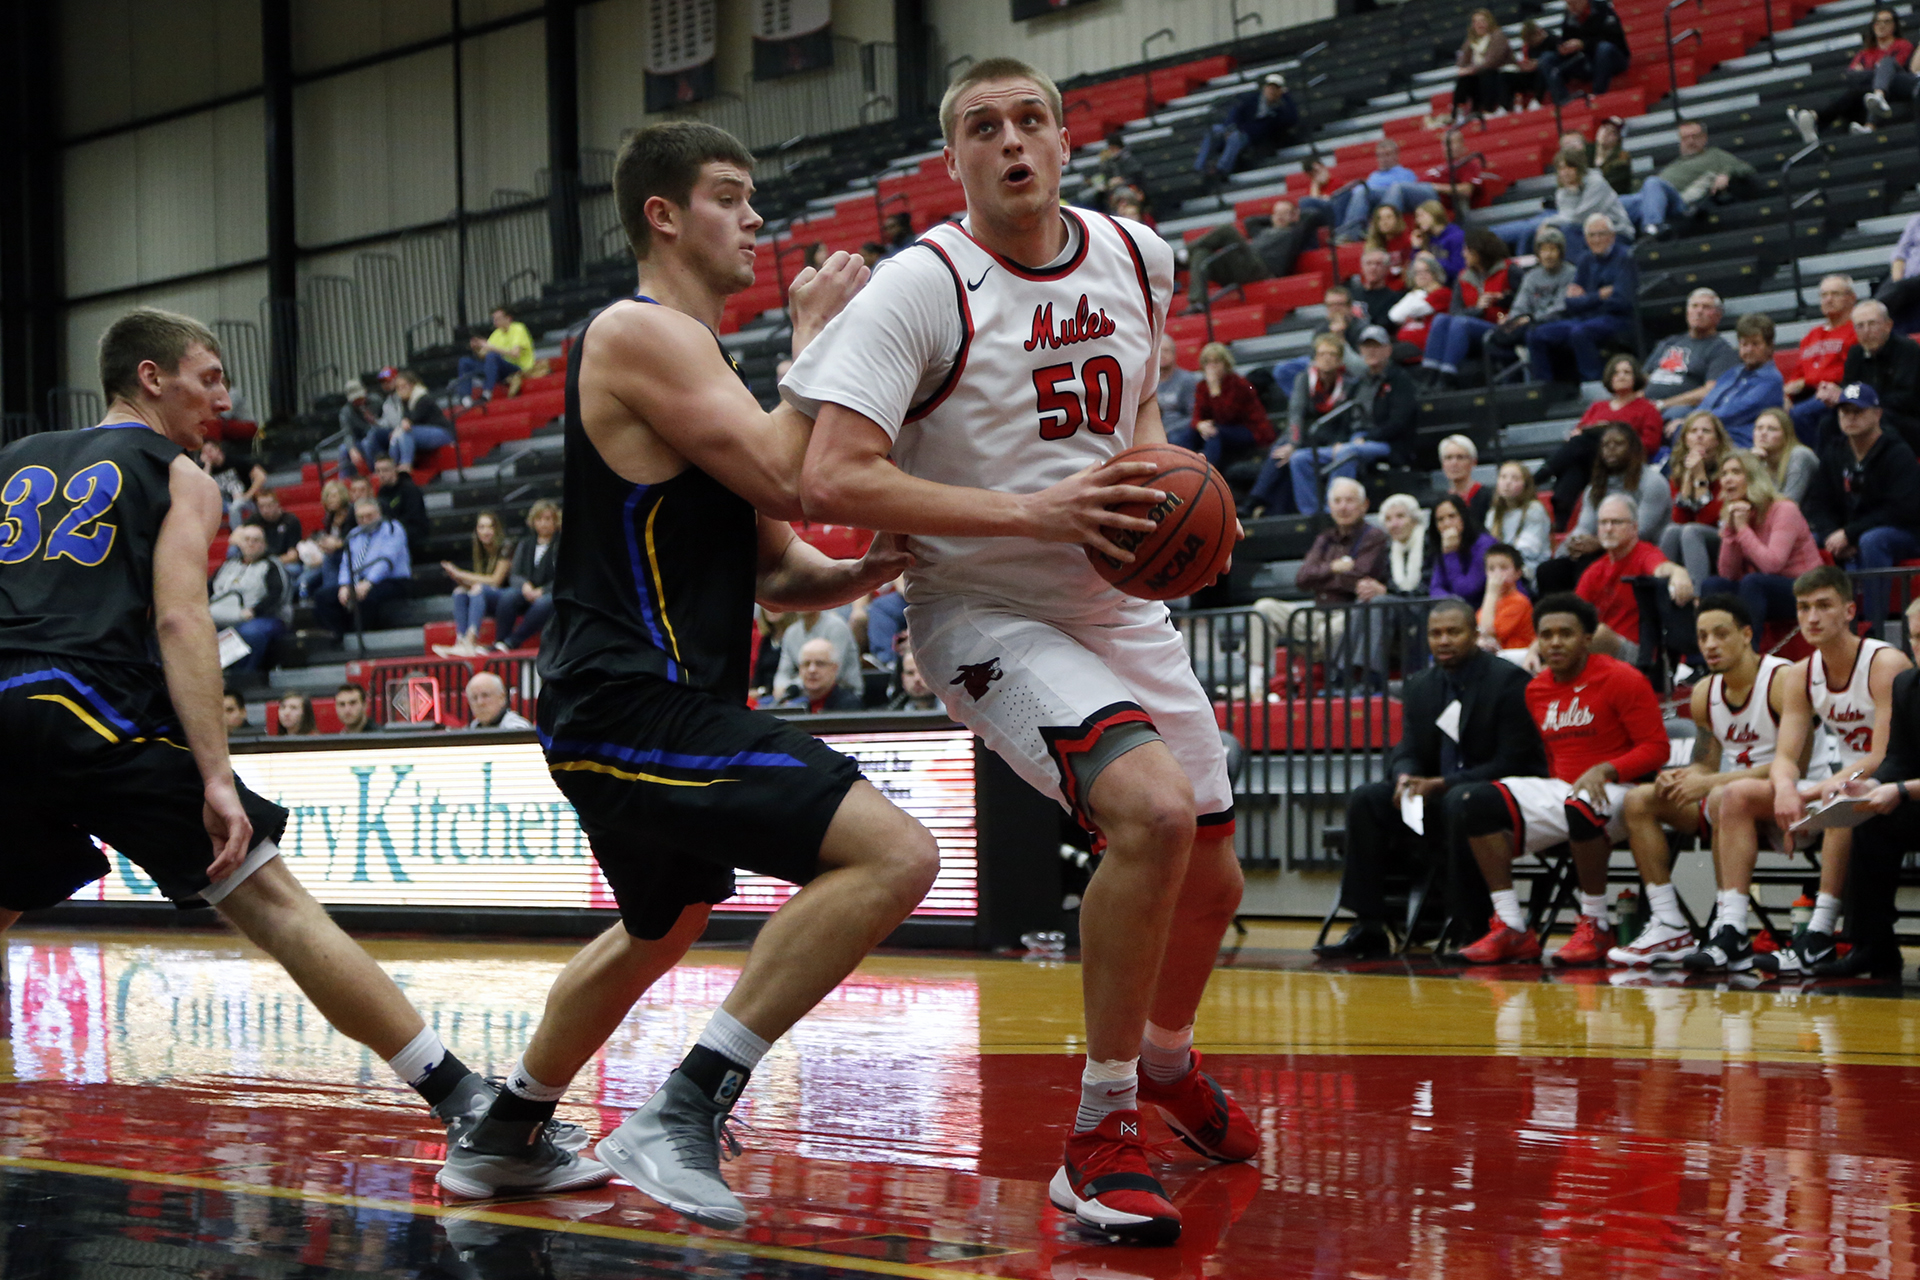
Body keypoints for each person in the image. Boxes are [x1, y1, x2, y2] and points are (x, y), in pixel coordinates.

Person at [788, 59, 1257, 1245]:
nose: (1011, 142)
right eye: (982, 128)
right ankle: (1098, 1134)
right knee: (1146, 811)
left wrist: (1168, 498)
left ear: (1063, 140)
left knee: (1214, 875)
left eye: (1030, 120)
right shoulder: (922, 286)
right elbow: (831, 476)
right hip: (981, 604)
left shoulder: (1137, 254)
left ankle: (1164, 1061)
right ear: (952, 162)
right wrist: (1038, 512)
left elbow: (1136, 414)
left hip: (1110, 597)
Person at [438, 120, 938, 1214]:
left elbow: (782, 571)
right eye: (729, 194)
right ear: (662, 215)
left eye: (754, 195)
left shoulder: (712, 374)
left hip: (640, 704)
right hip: (627, 697)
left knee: (660, 927)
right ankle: (685, 1106)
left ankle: (503, 1132)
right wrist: (818, 343)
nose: (756, 216)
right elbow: (789, 470)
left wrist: (874, 568)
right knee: (895, 854)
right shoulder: (637, 332)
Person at [0, 308, 523, 1160]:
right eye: (209, 377)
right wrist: (216, 772)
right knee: (275, 903)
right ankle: (467, 1106)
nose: (224, 398)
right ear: (151, 377)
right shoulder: (179, 473)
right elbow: (180, 620)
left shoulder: (10, 462)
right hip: (87, 701)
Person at [1696, 566, 1911, 976]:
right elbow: (1785, 756)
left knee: (1841, 794)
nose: (1812, 617)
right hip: (1840, 780)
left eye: (1823, 606)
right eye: (1803, 608)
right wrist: (1784, 789)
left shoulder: (1885, 662)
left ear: (1849, 611)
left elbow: (1884, 754)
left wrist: (1810, 793)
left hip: (1885, 779)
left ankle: (1820, 934)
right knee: (1735, 794)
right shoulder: (1800, 673)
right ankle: (1732, 928)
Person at [1318, 599, 1547, 959]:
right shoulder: (1420, 685)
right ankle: (1369, 925)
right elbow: (1407, 747)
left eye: (1453, 632)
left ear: (1474, 634)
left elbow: (1513, 760)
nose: (1444, 640)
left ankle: (1470, 924)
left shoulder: (1508, 681)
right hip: (1435, 797)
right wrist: (1405, 776)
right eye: (1435, 633)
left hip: (1494, 799)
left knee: (1461, 801)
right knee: (1368, 799)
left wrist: (1443, 784)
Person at [1453, 592, 1668, 964]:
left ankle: (1595, 924)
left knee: (1579, 804)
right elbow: (1553, 757)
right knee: (1477, 802)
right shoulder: (1536, 689)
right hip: (1565, 790)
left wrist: (1607, 768)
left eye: (1565, 634)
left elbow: (1656, 748)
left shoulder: (1622, 678)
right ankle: (1511, 925)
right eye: (1546, 634)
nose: (1555, 642)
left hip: (1623, 790)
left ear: (1587, 638)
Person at [1607, 595, 1796, 965]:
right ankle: (1668, 924)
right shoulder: (1703, 693)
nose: (1710, 644)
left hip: (1792, 796)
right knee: (1640, 800)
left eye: (1721, 634)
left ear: (1746, 635)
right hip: (1731, 795)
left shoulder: (1782, 679)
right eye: (1703, 636)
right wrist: (1679, 777)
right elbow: (1705, 764)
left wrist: (1710, 783)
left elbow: (1791, 766)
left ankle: (1730, 927)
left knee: (1726, 795)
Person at [1824, 594, 1920, 979]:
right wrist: (1872, 785)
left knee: (1889, 803)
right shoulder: (1907, 685)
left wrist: (1900, 790)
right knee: (1868, 819)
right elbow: (1897, 756)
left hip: (1914, 793)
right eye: (1915, 638)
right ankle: (1873, 945)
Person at [1251, 477, 1392, 683]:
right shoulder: (1325, 538)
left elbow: (1358, 579)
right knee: (1264, 608)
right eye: (1337, 501)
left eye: (1350, 501)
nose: (1343, 507)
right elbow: (1302, 578)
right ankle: (1255, 680)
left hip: (1351, 612)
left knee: (1332, 630)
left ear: (1365, 505)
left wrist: (1321, 575)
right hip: (1317, 615)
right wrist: (1334, 567)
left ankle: (1338, 681)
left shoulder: (1374, 537)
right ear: (1329, 506)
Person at [1803, 382, 1920, 622]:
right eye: (1844, 412)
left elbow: (1902, 509)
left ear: (1877, 414)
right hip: (1852, 532)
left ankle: (1873, 625)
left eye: (1858, 411)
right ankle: (1819, 618)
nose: (1850, 418)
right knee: (1805, 538)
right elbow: (1817, 503)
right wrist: (1831, 534)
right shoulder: (1835, 453)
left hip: (1905, 533)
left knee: (1873, 540)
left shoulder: (1897, 452)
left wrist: (1850, 533)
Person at [1538, 354, 1664, 533]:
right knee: (1575, 465)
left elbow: (1650, 444)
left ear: (1636, 376)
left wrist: (1616, 437)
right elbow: (1578, 433)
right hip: (1591, 462)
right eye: (1616, 373)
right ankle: (1561, 522)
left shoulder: (1647, 408)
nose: (1620, 376)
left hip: (1623, 462)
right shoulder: (1598, 406)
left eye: (1626, 372)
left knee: (1588, 441)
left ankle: (1542, 474)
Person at [1698, 450, 1822, 631]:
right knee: (1713, 584)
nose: (1727, 479)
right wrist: (1731, 531)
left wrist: (1742, 530)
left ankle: (1749, 654)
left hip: (1804, 588)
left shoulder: (1784, 509)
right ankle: (1709, 651)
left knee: (1753, 582)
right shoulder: (1736, 513)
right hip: (1761, 589)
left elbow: (1772, 565)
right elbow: (1728, 574)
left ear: (1753, 478)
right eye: (1724, 474)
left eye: (1736, 472)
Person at [1574, 493, 1693, 665]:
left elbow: (1661, 568)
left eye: (1616, 522)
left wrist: (1678, 572)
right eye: (1603, 523)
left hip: (1641, 654)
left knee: (1596, 634)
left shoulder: (1645, 554)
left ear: (1634, 527)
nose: (1608, 529)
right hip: (1603, 652)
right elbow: (1573, 614)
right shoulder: (1594, 570)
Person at [1525, 214, 1636, 386]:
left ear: (1612, 236)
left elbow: (1620, 301)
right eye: (1592, 235)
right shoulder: (1585, 259)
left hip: (1616, 319)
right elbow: (1570, 303)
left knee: (1580, 332)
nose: (1596, 239)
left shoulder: (1625, 258)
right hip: (1585, 318)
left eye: (1601, 234)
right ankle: (1545, 389)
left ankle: (1594, 386)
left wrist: (1586, 298)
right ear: (1585, 239)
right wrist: (1599, 295)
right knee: (1536, 334)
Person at [1255, 334, 1347, 518]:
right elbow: (1295, 413)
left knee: (1289, 450)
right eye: (1322, 354)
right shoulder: (1304, 379)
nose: (1326, 358)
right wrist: (1294, 444)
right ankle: (1260, 501)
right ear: (1314, 358)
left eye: (1332, 354)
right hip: (1305, 432)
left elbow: (1346, 419)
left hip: (1331, 434)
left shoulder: (1347, 383)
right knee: (1282, 449)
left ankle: (1257, 500)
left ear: (1339, 359)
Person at [1790, 9, 1911, 141]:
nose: (1881, 25)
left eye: (1886, 21)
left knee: (1867, 84)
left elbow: (1891, 70)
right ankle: (1813, 119)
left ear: (1894, 25)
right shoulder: (1865, 53)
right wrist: (1869, 72)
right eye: (1877, 22)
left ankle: (1816, 119)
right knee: (1853, 92)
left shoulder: (1902, 45)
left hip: (1893, 87)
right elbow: (1851, 75)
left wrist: (1864, 72)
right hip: (1865, 92)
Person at [1628, 120, 1755, 240]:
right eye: (1685, 138)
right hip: (1648, 200)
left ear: (1704, 138)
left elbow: (1747, 168)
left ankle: (1653, 226)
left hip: (1677, 203)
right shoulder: (1675, 163)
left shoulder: (1715, 155)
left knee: (1653, 182)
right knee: (1614, 203)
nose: (1690, 141)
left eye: (1695, 136)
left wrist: (1725, 174)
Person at [1185, 198, 1319, 306]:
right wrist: (1275, 218)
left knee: (1227, 230)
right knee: (1201, 253)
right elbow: (1251, 221)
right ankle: (1197, 302)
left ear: (1295, 215)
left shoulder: (1295, 232)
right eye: (1276, 213)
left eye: (1285, 213)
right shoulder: (1260, 231)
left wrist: (1289, 218)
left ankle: (1183, 255)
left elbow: (1314, 215)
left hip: (1263, 270)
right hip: (1242, 267)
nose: (1279, 216)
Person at [1422, 229, 1513, 386]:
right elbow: (1455, 312)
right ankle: (1430, 375)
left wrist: (1502, 299)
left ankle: (1447, 377)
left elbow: (1521, 300)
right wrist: (1478, 309)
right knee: (1441, 319)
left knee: (1461, 323)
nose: (1463, 254)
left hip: (1501, 327)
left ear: (1480, 251)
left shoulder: (1509, 269)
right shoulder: (1463, 277)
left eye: (1467, 250)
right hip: (1474, 326)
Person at [1492, 152, 1628, 258]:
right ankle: (1530, 270)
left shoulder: (1596, 183)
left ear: (1579, 167)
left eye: (1569, 167)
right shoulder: (1563, 191)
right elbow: (1566, 216)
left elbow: (1581, 217)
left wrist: (1548, 222)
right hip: (1585, 232)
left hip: (1616, 232)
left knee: (1566, 231)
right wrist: (1571, 193)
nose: (1565, 172)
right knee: (1529, 232)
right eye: (1561, 169)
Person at [314, 497, 411, 640]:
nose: (365, 520)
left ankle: (362, 637)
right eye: (361, 517)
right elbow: (347, 563)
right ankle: (339, 636)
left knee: (366, 598)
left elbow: (386, 560)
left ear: (379, 513)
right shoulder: (354, 534)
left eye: (369, 516)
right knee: (323, 597)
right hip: (359, 580)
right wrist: (345, 585)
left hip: (392, 579)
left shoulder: (393, 528)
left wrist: (369, 582)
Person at [1484, 227, 1574, 375]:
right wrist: (1513, 320)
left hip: (1554, 321)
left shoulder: (1570, 272)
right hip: (1528, 322)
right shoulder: (1531, 277)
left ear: (1561, 252)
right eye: (1544, 250)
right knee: (1492, 338)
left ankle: (1541, 381)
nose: (1548, 255)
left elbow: (1561, 306)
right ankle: (1511, 381)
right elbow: (1520, 305)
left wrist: (1531, 318)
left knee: (1533, 333)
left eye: (1552, 250)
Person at [1644, 289, 1738, 428]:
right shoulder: (1669, 342)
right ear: (1687, 312)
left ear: (1718, 315)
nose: (1699, 311)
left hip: (1681, 410)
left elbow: (1710, 392)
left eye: (1706, 307)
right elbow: (1642, 379)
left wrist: (1663, 404)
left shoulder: (1721, 350)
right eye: (1694, 306)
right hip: (1649, 405)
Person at [1171, 343, 1271, 470]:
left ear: (1226, 364)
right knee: (1189, 434)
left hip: (1249, 429)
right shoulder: (1202, 386)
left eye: (1216, 362)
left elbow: (1227, 417)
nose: (1212, 367)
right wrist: (1199, 425)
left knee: (1213, 433)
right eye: (1208, 363)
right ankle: (1180, 469)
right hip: (1220, 428)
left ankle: (1207, 474)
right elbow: (1197, 414)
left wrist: (1215, 390)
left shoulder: (1239, 384)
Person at [1660, 411, 1733, 585]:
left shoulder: (1729, 469)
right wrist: (1687, 479)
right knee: (1671, 531)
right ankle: (1659, 589)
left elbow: (1708, 521)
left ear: (1717, 440)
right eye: (1693, 431)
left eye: (1706, 431)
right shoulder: (1679, 469)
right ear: (1685, 439)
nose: (1699, 436)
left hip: (1725, 539)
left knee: (1691, 531)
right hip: (1690, 537)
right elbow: (1678, 520)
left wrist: (1700, 476)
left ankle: (1699, 595)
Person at [1785, 276, 1858, 446]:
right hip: (1809, 395)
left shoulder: (1856, 331)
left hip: (1840, 393)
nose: (1828, 299)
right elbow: (1796, 376)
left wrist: (1807, 382)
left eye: (1835, 294)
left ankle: (1818, 464)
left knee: (1800, 414)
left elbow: (1849, 372)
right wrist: (1786, 395)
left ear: (1851, 298)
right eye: (1824, 295)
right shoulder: (1811, 335)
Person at [1695, 313, 1785, 449]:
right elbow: (1708, 401)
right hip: (1715, 433)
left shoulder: (1772, 380)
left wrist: (1696, 422)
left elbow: (1736, 412)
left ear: (1770, 347)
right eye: (1744, 344)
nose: (1749, 350)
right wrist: (1693, 420)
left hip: (1741, 441)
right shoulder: (1731, 373)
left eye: (1755, 344)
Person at [1839, 299, 1920, 449]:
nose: (1866, 331)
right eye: (1860, 326)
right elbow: (1849, 388)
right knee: (1827, 422)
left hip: (1907, 419)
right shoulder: (1855, 353)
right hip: (1865, 413)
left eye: (1872, 324)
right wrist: (1838, 395)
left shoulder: (1907, 349)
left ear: (1888, 325)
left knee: (1878, 421)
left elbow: (1906, 398)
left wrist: (1868, 405)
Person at [207, 524, 286, 673]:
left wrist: (254, 611)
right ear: (240, 543)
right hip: (219, 616)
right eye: (247, 539)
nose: (251, 543)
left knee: (250, 633)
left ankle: (243, 678)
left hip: (260, 617)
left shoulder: (272, 565)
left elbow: (277, 595)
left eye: (256, 540)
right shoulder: (227, 565)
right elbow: (208, 589)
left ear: (264, 544)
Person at [437, 510, 512, 656]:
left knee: (477, 589)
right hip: (485, 594)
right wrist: (458, 578)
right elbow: (480, 582)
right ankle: (461, 640)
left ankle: (471, 640)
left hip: (507, 597)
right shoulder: (479, 549)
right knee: (459, 592)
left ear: (497, 529)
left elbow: (496, 581)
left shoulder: (506, 547)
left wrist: (461, 573)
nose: (485, 531)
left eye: (490, 527)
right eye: (481, 527)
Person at [1195, 73, 1296, 178]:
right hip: (1236, 128)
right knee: (1214, 129)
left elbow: (1291, 119)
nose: (1272, 91)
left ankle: (1222, 169)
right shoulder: (1251, 99)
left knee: (1235, 137)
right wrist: (1230, 128)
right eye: (1270, 88)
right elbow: (1236, 113)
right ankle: (1199, 166)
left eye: (1276, 89)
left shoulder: (1279, 110)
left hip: (1251, 136)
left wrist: (1286, 96)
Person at [494, 499, 560, 651]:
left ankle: (513, 641)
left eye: (548, 519)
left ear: (555, 521)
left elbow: (565, 577)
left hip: (550, 593)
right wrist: (524, 585)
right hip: (526, 590)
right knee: (508, 596)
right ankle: (500, 641)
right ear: (533, 522)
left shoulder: (562, 544)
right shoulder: (525, 544)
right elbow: (515, 574)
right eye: (539, 519)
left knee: (544, 603)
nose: (543, 523)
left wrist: (542, 591)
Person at [1538, 0, 1630, 106]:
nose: (1571, 7)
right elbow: (1566, 38)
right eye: (1568, 4)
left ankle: (1598, 95)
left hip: (1610, 59)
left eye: (1574, 3)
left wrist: (1583, 44)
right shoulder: (1570, 16)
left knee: (1604, 49)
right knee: (1547, 58)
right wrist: (1563, 47)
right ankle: (1563, 102)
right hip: (1584, 60)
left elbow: (1614, 39)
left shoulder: (1603, 10)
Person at [1333, 139, 1420, 243]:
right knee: (1345, 194)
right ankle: (1344, 232)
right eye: (1380, 155)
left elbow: (1405, 193)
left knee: (1362, 191)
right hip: (1371, 203)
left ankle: (1350, 232)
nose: (1384, 159)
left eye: (1387, 154)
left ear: (1396, 155)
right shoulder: (1374, 176)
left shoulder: (1406, 173)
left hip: (1393, 202)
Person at [369, 369, 456, 472]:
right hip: (422, 433)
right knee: (395, 437)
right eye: (398, 387)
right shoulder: (406, 401)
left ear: (413, 385)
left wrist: (403, 425)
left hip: (443, 432)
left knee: (404, 433)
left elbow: (414, 419)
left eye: (404, 386)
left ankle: (406, 464)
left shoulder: (423, 398)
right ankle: (392, 466)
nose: (401, 390)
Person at [454, 304, 536, 406]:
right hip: (498, 368)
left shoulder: (518, 329)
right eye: (494, 319)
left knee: (492, 356)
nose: (495, 322)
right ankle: (465, 398)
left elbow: (515, 354)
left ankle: (487, 392)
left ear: (508, 318)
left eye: (498, 319)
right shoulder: (496, 334)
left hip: (516, 368)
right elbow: (484, 355)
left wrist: (491, 348)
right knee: (464, 361)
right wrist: (477, 347)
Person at [772, 608, 863, 697]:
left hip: (843, 693)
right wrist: (781, 687)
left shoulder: (837, 627)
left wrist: (792, 687)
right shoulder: (791, 632)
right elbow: (783, 672)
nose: (802, 603)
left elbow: (834, 673)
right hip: (805, 694)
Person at [1427, 493, 1496, 607]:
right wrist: (1449, 601)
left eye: (1452, 516)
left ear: (1463, 517)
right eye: (1440, 520)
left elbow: (1467, 590)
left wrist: (1450, 554)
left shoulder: (1485, 544)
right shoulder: (1442, 545)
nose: (1447, 524)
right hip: (1459, 610)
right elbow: (1435, 588)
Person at [1486, 461, 1552, 580]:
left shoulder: (1534, 509)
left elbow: (1530, 549)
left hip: (1529, 568)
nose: (1507, 482)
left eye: (1515, 478)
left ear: (1526, 485)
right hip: (1501, 566)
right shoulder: (1493, 513)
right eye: (1503, 477)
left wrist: (1501, 560)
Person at [296, 478, 352, 603]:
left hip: (349, 555)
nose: (330, 500)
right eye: (327, 496)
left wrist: (338, 544)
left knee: (327, 561)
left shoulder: (351, 514)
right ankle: (307, 591)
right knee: (308, 573)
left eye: (333, 496)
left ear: (342, 495)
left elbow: (355, 539)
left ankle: (330, 592)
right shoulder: (329, 517)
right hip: (332, 554)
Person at [1750, 406, 1819, 504]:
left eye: (1772, 429)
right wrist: (1753, 465)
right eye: (1759, 428)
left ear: (1786, 435)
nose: (1763, 433)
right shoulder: (1758, 460)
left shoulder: (1799, 455)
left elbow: (1789, 503)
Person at [1452, 9, 1513, 119]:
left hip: (1498, 71)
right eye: (1476, 22)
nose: (1479, 24)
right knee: (1464, 79)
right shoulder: (1471, 40)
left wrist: (1472, 69)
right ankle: (1457, 111)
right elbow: (1461, 61)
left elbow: (1493, 61)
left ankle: (1488, 109)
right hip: (1478, 73)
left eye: (1482, 21)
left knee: (1486, 75)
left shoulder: (1497, 36)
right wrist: (1465, 68)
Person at [778, 637, 864, 713]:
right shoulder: (797, 705)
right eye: (806, 664)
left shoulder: (849, 705)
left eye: (820, 664)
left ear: (834, 669)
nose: (812, 670)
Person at [1388, 254, 1453, 354]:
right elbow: (1393, 315)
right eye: (1417, 272)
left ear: (1435, 273)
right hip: (1406, 343)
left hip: (1426, 347)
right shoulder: (1416, 294)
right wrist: (1417, 293)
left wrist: (1417, 294)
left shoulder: (1443, 293)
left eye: (1426, 271)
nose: (1422, 275)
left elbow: (1413, 311)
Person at [1476, 544, 1535, 651]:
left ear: (1518, 573)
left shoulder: (1519, 601)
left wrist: (1491, 593)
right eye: (1491, 569)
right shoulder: (1492, 601)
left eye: (1503, 568)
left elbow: (1487, 633)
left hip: (1516, 655)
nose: (1497, 574)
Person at [198, 437, 266, 528]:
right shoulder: (205, 469)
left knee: (234, 508)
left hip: (243, 500)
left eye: (210, 451)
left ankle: (237, 534)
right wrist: (207, 465)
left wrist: (248, 495)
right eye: (204, 453)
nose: (208, 455)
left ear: (218, 449)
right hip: (223, 502)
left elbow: (261, 476)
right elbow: (201, 487)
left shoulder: (234, 461)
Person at [372, 453, 429, 557]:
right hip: (391, 531)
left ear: (395, 469)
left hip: (412, 532)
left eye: (385, 470)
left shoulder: (410, 490)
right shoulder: (382, 492)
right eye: (378, 471)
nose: (381, 474)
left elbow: (414, 518)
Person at [1348, 247, 1406, 329]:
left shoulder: (1394, 298)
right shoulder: (1351, 294)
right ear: (1362, 267)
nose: (1373, 268)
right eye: (1369, 263)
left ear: (1387, 268)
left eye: (1378, 264)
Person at [1407, 201, 1465, 280]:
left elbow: (1459, 269)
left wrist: (1433, 261)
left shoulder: (1456, 236)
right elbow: (1414, 269)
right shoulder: (1427, 237)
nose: (1418, 221)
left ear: (1434, 214)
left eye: (1421, 216)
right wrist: (1416, 248)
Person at [337, 378, 382, 477]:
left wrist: (374, 421)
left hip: (378, 436)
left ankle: (375, 471)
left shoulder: (376, 400)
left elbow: (387, 421)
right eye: (355, 399)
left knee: (368, 442)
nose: (359, 401)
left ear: (365, 392)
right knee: (344, 449)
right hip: (359, 439)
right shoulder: (346, 412)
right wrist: (352, 449)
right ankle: (345, 480)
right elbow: (347, 433)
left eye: (360, 397)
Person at [1154, 333, 1199, 430]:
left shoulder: (1186, 380)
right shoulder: (1148, 382)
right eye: (1159, 351)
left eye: (1166, 351)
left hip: (1179, 430)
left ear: (1174, 354)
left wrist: (1169, 430)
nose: (1162, 355)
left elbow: (1192, 416)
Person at [247, 490, 304, 565]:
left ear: (277, 504)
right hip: (261, 562)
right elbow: (235, 536)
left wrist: (270, 564)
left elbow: (293, 556)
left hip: (283, 562)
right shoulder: (255, 519)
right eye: (261, 507)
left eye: (269, 506)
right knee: (234, 549)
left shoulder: (290, 521)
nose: (265, 510)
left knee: (293, 569)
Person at [464, 670, 532, 730]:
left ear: (501, 697)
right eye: (474, 698)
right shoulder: (467, 731)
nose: (480, 702)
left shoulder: (518, 729)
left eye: (485, 695)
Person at [1589, 117, 1633, 195]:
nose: (1606, 133)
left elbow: (1610, 186)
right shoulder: (1587, 152)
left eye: (1612, 132)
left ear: (1618, 139)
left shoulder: (1622, 159)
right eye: (1604, 128)